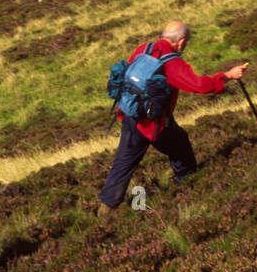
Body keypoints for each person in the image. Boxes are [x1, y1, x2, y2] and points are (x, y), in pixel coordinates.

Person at [96, 20, 247, 216]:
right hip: (153, 122)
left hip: (129, 113)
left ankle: (104, 211)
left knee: (123, 163)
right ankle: (188, 186)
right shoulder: (172, 63)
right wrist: (227, 75)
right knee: (180, 146)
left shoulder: (143, 49)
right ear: (181, 42)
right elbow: (200, 86)